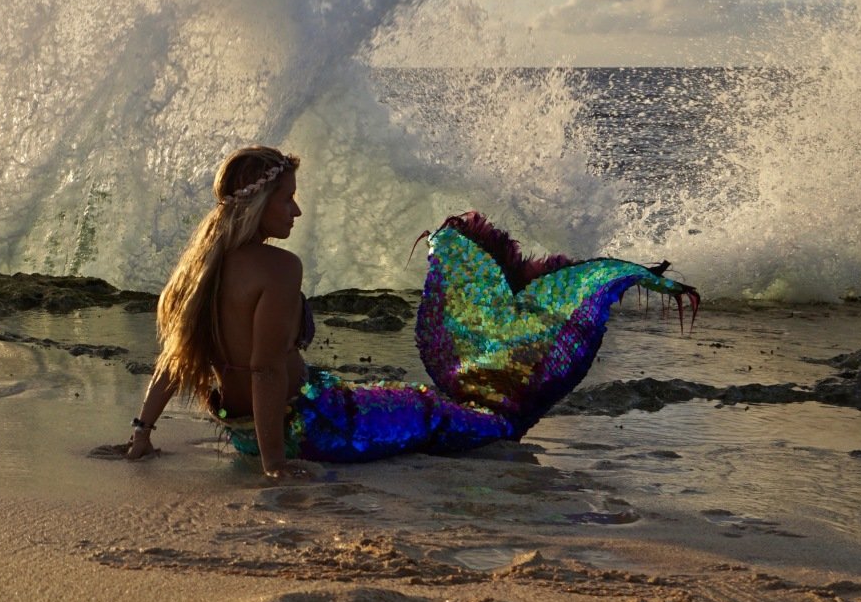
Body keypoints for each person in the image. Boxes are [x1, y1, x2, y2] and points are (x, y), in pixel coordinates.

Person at [122, 146, 696, 479]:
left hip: (252, 431)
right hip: (311, 428)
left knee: (404, 398)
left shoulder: (197, 270)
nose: (296, 211)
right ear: (258, 204)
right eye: (287, 198)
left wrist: (142, 433)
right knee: (444, 417)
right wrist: (275, 464)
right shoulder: (277, 270)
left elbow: (176, 359)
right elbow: (267, 369)